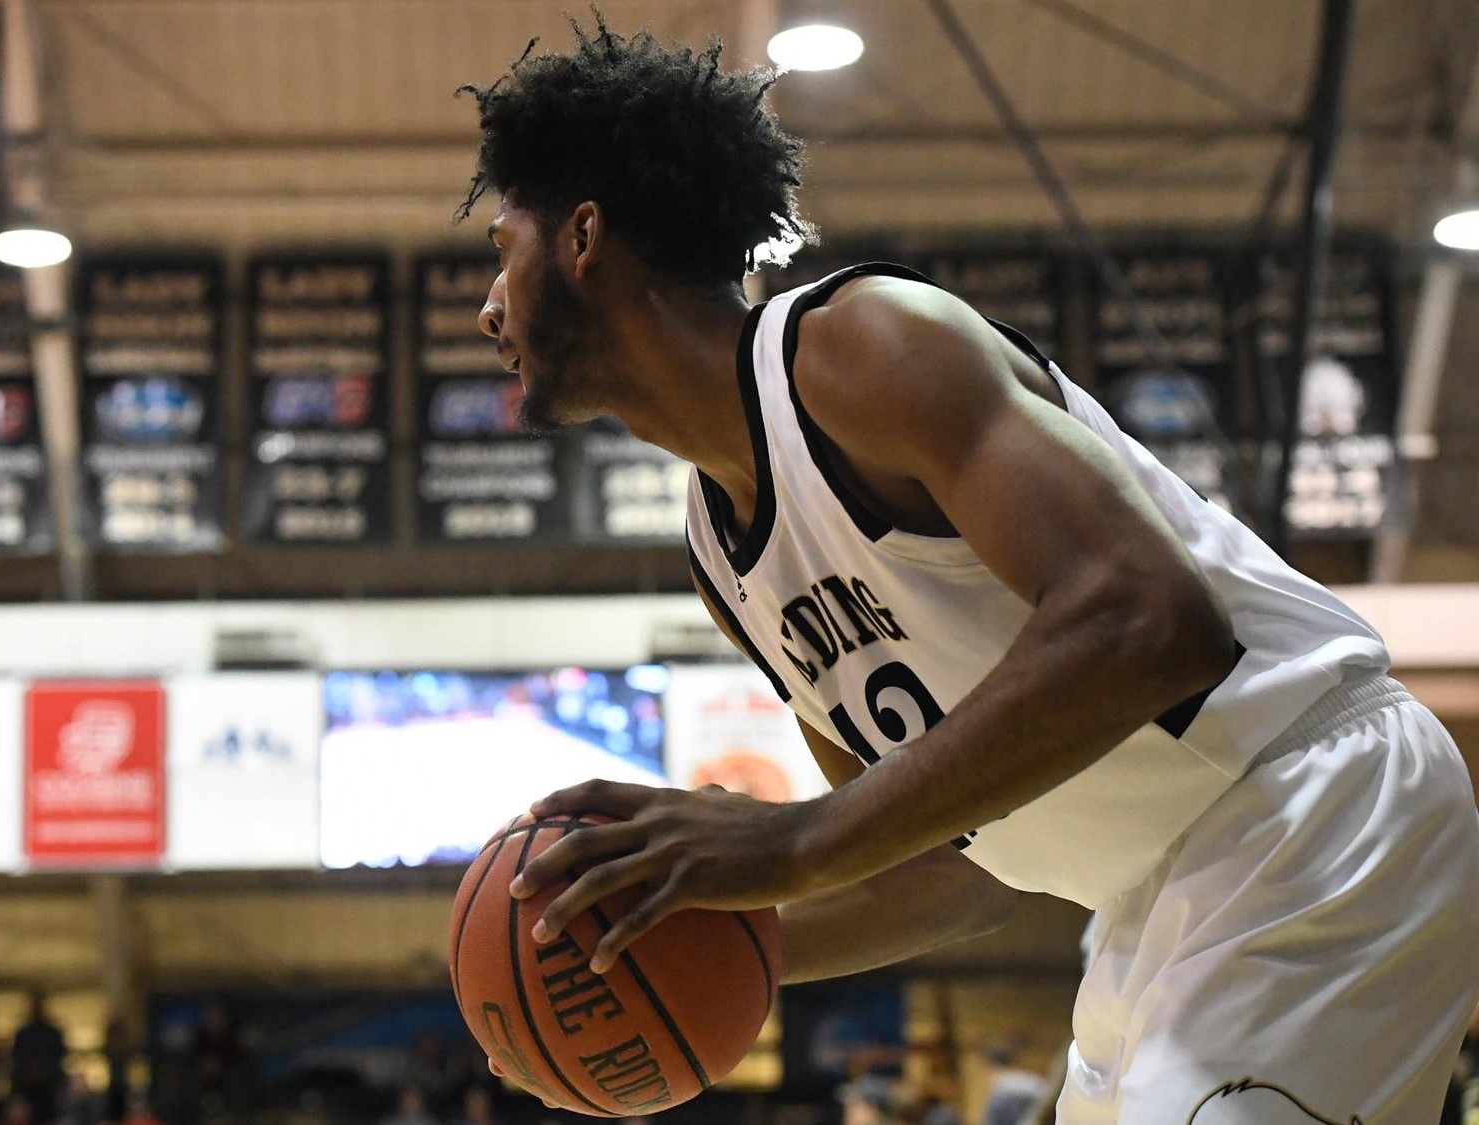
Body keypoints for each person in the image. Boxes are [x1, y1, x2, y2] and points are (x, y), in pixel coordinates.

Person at [462, 15, 1479, 1125]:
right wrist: (658, 962)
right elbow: (949, 874)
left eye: (499, 250)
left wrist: (788, 843)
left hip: (1308, 804)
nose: (487, 307)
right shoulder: (720, 554)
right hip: (1148, 898)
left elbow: (1149, 623)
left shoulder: (858, 348)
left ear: (582, 237)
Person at [10, 993, 68, 1125]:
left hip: (49, 1079)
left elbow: (60, 1055)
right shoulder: (23, 1033)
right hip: (27, 1079)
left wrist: (44, 1068)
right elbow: (16, 1056)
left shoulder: (53, 1033)